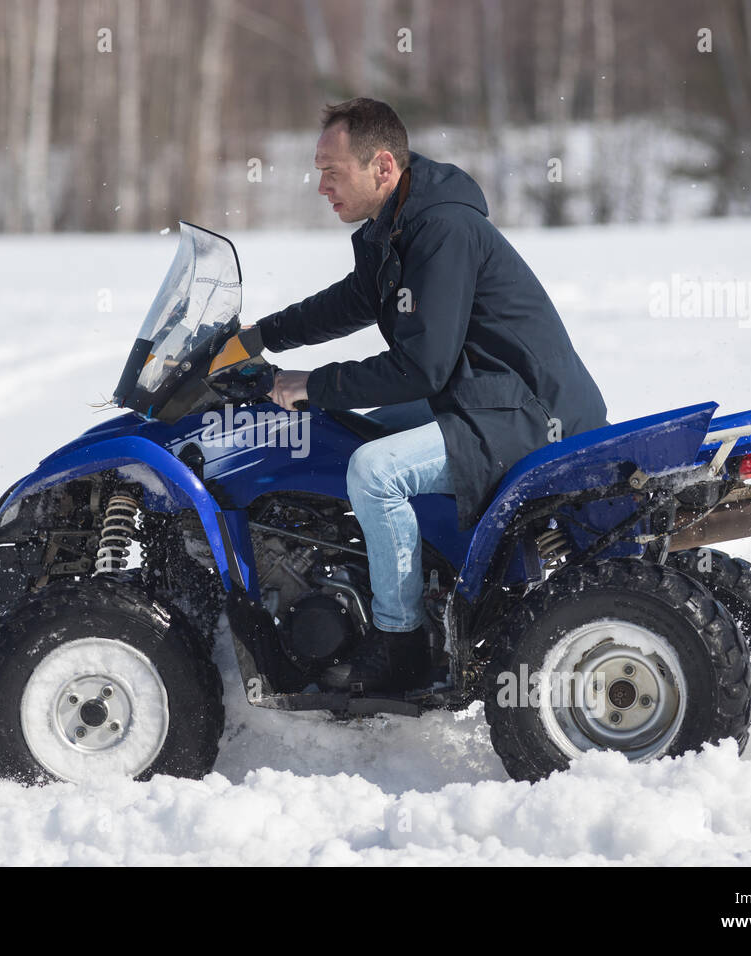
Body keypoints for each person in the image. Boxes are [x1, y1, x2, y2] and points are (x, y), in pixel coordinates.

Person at [245, 97, 609, 694]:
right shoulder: (399, 225)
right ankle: (420, 582)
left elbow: (421, 368)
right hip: (486, 395)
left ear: (382, 167)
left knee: (373, 471)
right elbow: (353, 301)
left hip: (528, 412)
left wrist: (311, 385)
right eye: (319, 171)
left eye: (332, 172)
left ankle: (400, 646)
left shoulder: (440, 227)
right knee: (356, 437)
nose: (321, 187)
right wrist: (257, 337)